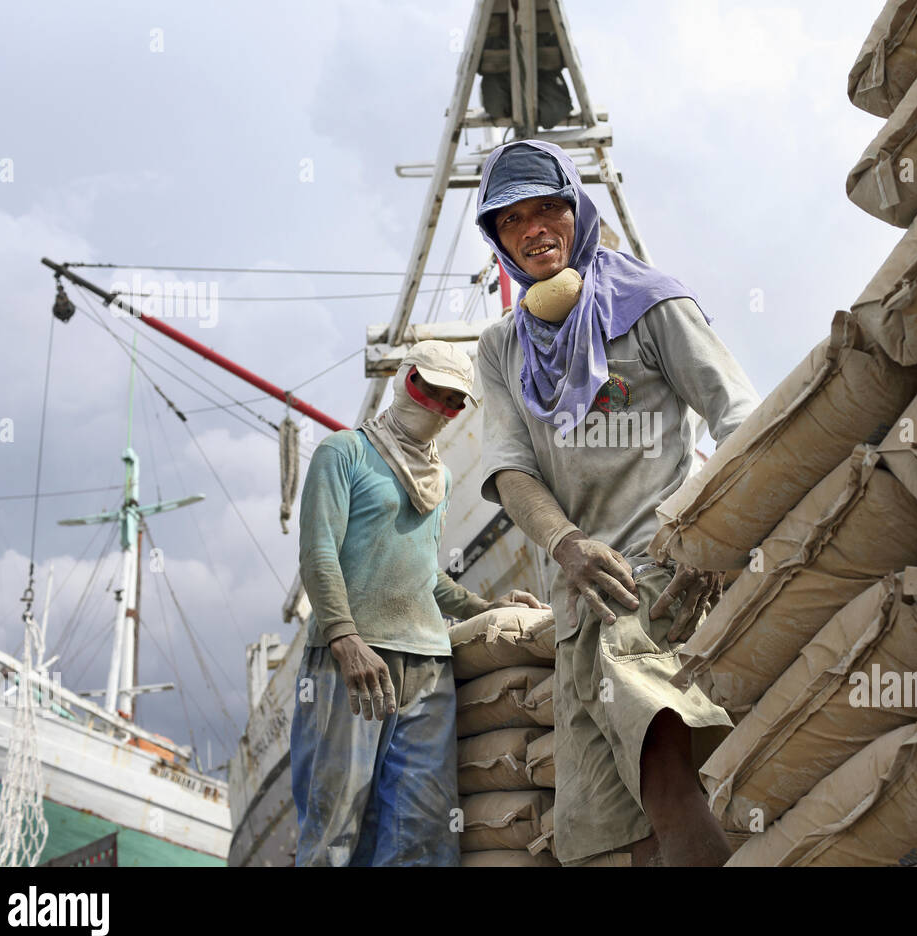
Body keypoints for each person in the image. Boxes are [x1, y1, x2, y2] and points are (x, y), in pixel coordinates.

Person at [473, 140, 760, 866]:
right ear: (497, 239)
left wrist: (731, 536)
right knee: (611, 831)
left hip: (654, 579)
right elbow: (510, 470)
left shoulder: (652, 303)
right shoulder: (504, 346)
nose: (534, 230)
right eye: (512, 221)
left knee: (663, 769)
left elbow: (738, 417)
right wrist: (566, 545)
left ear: (579, 208)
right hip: (575, 605)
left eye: (548, 210)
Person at [291, 339, 545, 866]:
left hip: (428, 667)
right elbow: (318, 552)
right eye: (426, 389)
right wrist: (345, 639)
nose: (438, 407)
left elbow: (425, 577)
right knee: (336, 828)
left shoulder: (443, 478)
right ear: (404, 378)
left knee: (423, 831)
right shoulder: (344, 453)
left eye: (453, 401)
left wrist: (486, 611)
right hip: (352, 664)